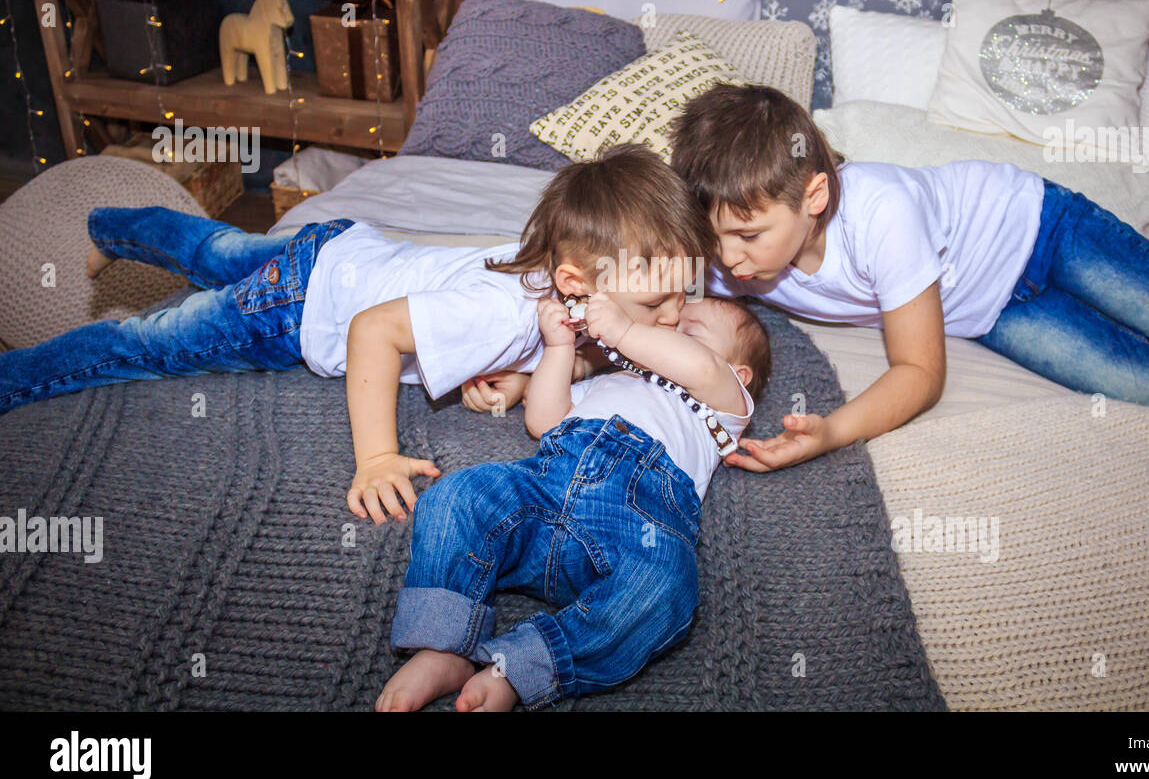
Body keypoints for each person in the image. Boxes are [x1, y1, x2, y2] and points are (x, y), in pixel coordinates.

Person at [0, 146, 716, 524]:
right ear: (574, 280)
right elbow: (377, 331)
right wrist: (376, 456)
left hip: (342, 246)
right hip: (298, 310)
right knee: (150, 343)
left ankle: (112, 226)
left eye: (684, 294)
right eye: (656, 302)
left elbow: (564, 344)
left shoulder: (554, 278)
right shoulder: (499, 314)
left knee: (219, 251)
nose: (672, 317)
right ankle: (15, 378)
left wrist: (536, 374)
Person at [670, 83, 1149, 472]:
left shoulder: (881, 212)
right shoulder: (731, 259)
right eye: (713, 238)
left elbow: (919, 372)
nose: (728, 260)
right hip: (996, 310)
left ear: (812, 196)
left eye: (748, 236)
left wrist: (833, 430)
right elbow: (646, 288)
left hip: (1040, 229)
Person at [376, 293, 769, 711]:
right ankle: (443, 645)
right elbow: (544, 420)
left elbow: (701, 365)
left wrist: (626, 332)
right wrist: (559, 348)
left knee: (668, 585)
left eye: (688, 331)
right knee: (459, 497)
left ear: (739, 373)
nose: (667, 329)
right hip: (545, 492)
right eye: (664, 326)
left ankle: (521, 666)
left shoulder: (723, 403)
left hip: (640, 526)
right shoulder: (614, 378)